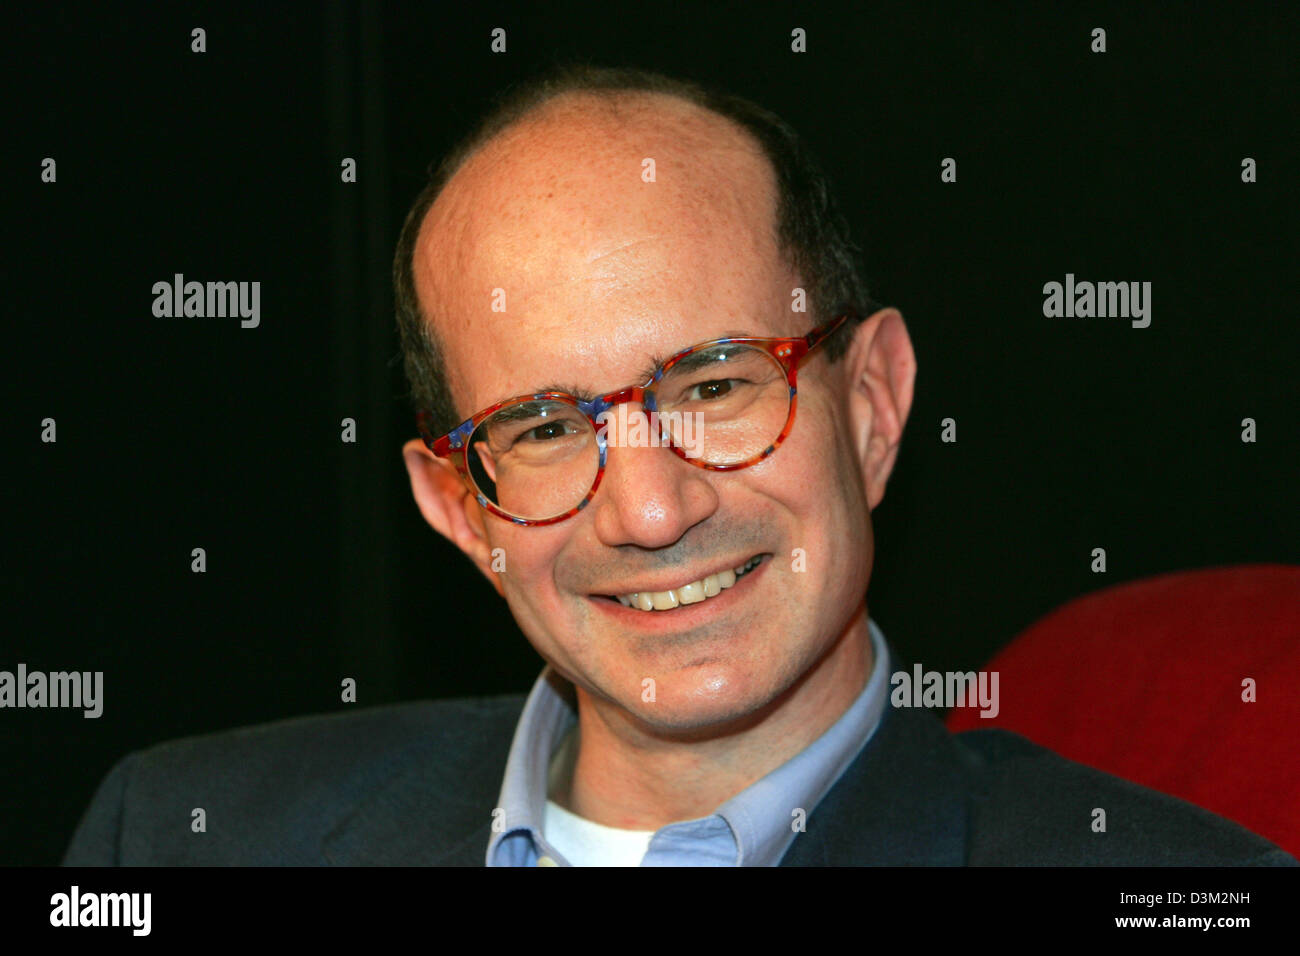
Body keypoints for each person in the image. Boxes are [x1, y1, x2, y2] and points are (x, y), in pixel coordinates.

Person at [63, 64, 1295, 867]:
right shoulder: (174, 837)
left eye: (712, 386)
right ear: (457, 508)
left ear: (871, 405)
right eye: (544, 428)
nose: (651, 510)